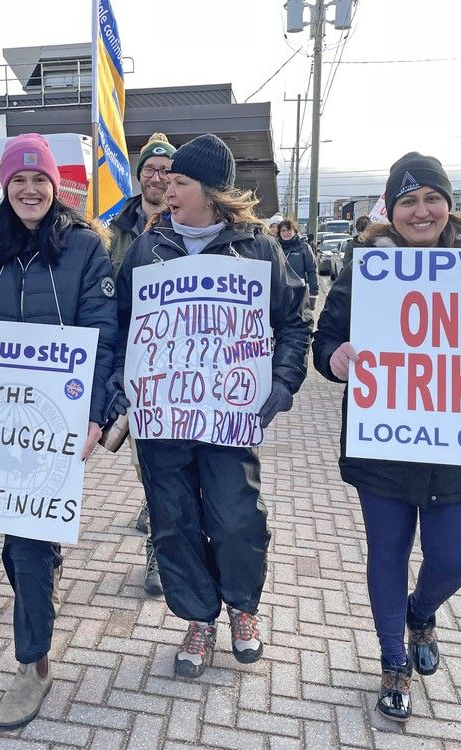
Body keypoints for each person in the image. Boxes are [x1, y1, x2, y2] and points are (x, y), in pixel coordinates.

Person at [312, 152, 461, 722]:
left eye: (431, 198)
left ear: (448, 204)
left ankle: (421, 612)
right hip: (384, 441)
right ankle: (392, 662)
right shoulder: (368, 265)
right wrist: (335, 358)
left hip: (457, 443)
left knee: (454, 557)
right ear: (393, 209)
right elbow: (326, 340)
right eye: (408, 201)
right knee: (386, 553)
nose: (421, 210)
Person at [0, 133, 117, 731]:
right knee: (19, 547)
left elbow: (103, 331)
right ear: (5, 188)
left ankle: (32, 665)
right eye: (19, 180)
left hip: (54, 421)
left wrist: (97, 415)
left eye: (40, 180)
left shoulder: (85, 248)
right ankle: (43, 581)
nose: (30, 190)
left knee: (26, 544)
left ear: (55, 187)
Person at [109, 134, 312, 679]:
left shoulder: (257, 248)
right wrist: (119, 386)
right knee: (174, 521)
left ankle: (243, 608)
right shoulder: (148, 248)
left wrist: (282, 382)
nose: (166, 189)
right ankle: (198, 619)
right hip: (163, 417)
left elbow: (292, 322)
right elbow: (121, 326)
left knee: (236, 518)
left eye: (180, 182)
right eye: (166, 180)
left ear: (211, 191)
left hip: (227, 415)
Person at [108, 133, 177, 598]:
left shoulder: (192, 224)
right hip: (135, 363)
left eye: (166, 171)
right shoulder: (114, 229)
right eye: (150, 170)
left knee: (168, 462)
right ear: (140, 176)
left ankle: (162, 544)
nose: (157, 177)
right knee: (147, 457)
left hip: (182, 365)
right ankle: (157, 517)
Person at [277, 218, 319, 308]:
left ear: (295, 231)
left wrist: (313, 294)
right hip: (279, 293)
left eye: (289, 230)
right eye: (283, 230)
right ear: (279, 233)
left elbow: (312, 271)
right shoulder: (275, 247)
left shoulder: (304, 247)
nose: (286, 233)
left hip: (299, 292)